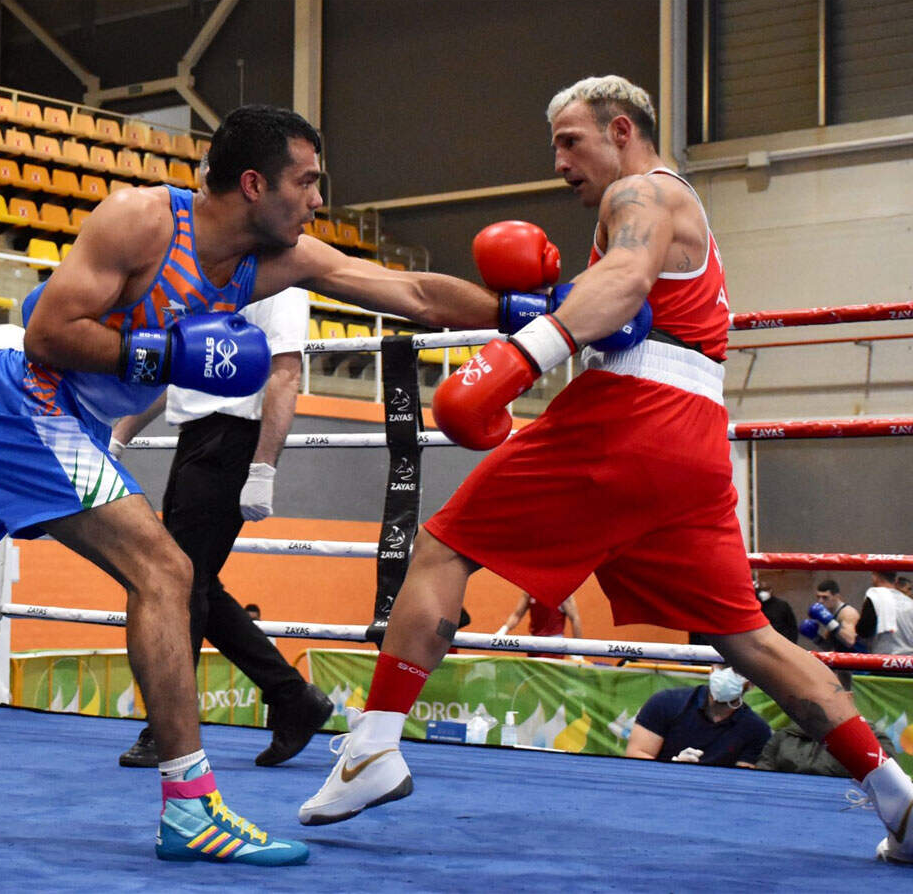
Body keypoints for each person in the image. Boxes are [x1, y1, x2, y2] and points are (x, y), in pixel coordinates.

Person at [0, 104, 502, 867]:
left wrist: (534, 318)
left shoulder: (276, 262)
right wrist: (161, 358)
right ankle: (191, 809)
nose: (319, 200)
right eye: (308, 181)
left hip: (40, 426)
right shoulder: (144, 222)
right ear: (256, 183)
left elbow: (414, 295)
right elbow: (47, 332)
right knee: (164, 569)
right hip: (29, 404)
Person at [297, 76, 913, 865]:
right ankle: (898, 797)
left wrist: (519, 359)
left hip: (632, 418)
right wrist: (540, 310)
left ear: (621, 130)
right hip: (693, 440)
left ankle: (372, 748)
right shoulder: (667, 213)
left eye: (569, 141)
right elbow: (612, 296)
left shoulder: (641, 195)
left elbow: (623, 281)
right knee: (748, 637)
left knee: (445, 548)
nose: (558, 161)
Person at [110, 286, 332, 770]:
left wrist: (263, 468)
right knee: (191, 580)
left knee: (178, 583)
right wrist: (121, 433)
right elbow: (178, 371)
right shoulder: (218, 280)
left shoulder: (284, 288)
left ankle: (167, 729)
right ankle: (292, 696)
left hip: (233, 440)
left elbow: (286, 374)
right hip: (197, 439)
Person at [625, 667, 771, 768]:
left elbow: (743, 781)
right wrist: (672, 768)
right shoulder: (665, 702)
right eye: (723, 665)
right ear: (712, 669)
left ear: (751, 683)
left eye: (738, 671)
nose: (728, 674)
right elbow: (635, 754)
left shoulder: (757, 730)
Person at [758, 719, 897, 777]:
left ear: (848, 698)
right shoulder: (784, 736)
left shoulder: (874, 741)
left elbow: (888, 787)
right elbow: (761, 777)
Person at [855, 571, 913, 655]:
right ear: (896, 580)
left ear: (875, 577)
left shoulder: (875, 596)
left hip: (885, 660)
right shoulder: (910, 602)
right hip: (908, 662)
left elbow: (864, 631)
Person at [496, 591, 582, 639]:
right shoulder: (529, 592)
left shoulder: (561, 592)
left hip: (553, 645)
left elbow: (575, 618)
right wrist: (503, 630)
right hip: (534, 641)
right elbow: (517, 615)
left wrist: (578, 650)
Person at [753, 579, 798, 643]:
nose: (762, 593)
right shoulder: (756, 606)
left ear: (770, 590)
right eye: (760, 590)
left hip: (781, 640)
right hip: (762, 641)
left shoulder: (782, 605)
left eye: (765, 590)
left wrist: (792, 642)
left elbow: (792, 625)